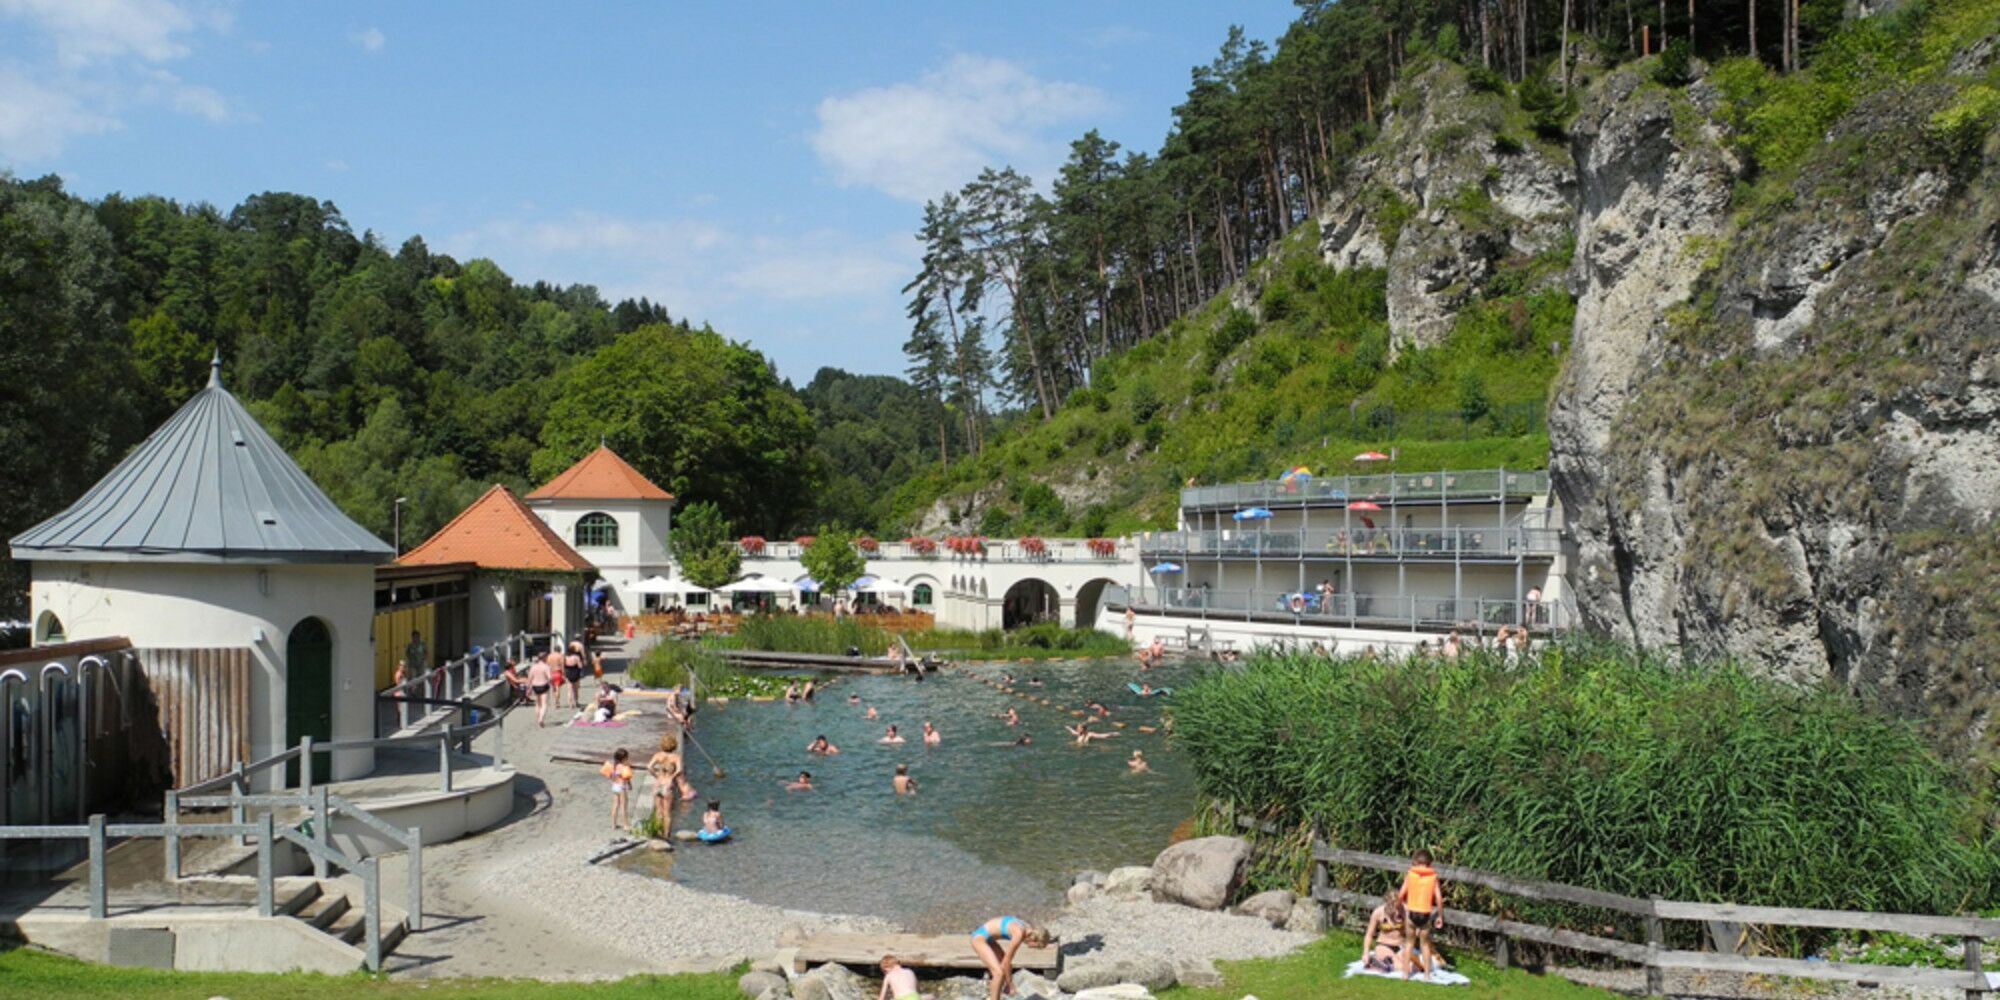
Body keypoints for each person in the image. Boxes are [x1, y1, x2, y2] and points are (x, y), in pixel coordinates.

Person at [969, 916, 1051, 1000]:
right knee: (998, 973)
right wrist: (1010, 984)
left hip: (990, 940)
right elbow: (1006, 962)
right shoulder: (1019, 934)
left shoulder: (1027, 928)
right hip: (979, 938)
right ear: (1034, 939)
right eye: (1037, 947)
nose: (1033, 948)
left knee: (1003, 969)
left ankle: (993, 990)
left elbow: (1007, 963)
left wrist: (1008, 980)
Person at [1398, 849, 1446, 981]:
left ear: (1415, 861)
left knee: (1409, 944)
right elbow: (1439, 898)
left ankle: (1405, 974)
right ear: (1429, 863)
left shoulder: (1410, 875)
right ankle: (1427, 975)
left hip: (1412, 912)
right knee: (1425, 945)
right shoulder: (1433, 877)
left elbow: (1401, 895)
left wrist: (1403, 908)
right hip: (1425, 914)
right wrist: (1440, 916)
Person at [1360, 888, 1415, 975]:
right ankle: (1379, 962)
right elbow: (1369, 935)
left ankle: (1384, 965)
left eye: (1398, 906)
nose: (1396, 910)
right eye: (1393, 906)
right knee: (1400, 966)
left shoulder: (1406, 911)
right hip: (1384, 945)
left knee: (1411, 967)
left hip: (1401, 946)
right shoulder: (1378, 912)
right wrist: (1365, 952)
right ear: (1386, 903)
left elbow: (1415, 929)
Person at [648, 736, 681, 837]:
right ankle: (667, 835)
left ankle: (659, 833)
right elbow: (679, 770)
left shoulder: (658, 755)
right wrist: (672, 777)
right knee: (667, 813)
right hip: (667, 785)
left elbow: (649, 767)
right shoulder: (675, 757)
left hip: (658, 783)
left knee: (658, 812)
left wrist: (656, 775)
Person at [602, 748, 634, 831]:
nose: (627, 759)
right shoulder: (624, 767)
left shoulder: (614, 766)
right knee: (624, 806)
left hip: (615, 786)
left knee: (615, 805)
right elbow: (626, 778)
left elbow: (611, 776)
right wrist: (630, 785)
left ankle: (613, 824)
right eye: (627, 758)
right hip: (622, 787)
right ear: (623, 759)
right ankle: (625, 825)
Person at [526, 655, 553, 726]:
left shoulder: (533, 667)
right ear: (544, 658)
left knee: (538, 704)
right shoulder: (546, 667)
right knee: (544, 704)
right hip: (544, 685)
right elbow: (550, 678)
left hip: (535, 686)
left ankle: (538, 719)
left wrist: (528, 689)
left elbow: (529, 679)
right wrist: (552, 685)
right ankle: (541, 719)